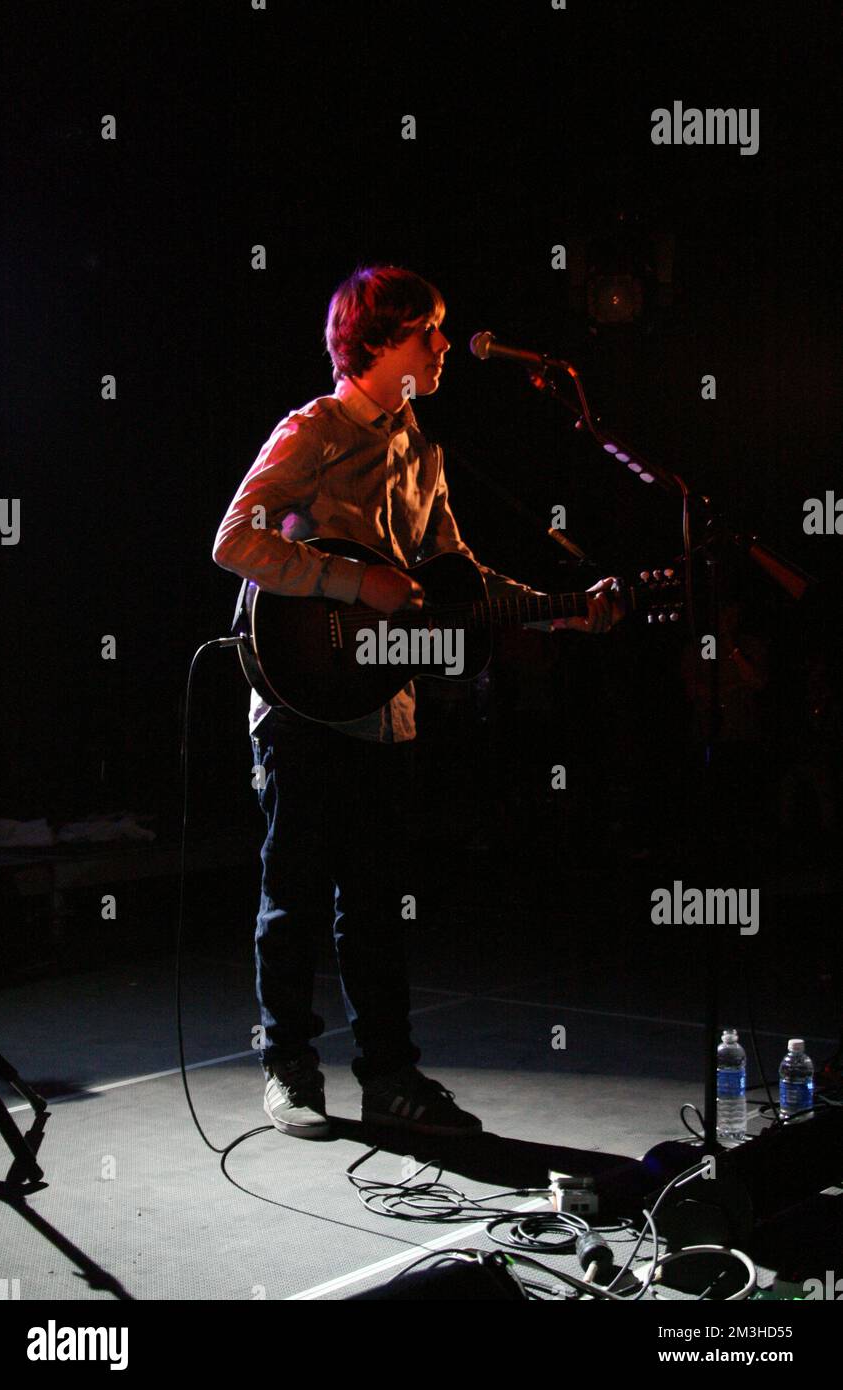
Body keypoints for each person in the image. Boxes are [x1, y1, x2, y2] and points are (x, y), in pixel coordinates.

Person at [212, 264, 623, 1139]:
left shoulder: (425, 450)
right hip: (302, 704)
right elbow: (234, 541)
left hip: (384, 707)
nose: (443, 344)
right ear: (375, 341)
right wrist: (352, 578)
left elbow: (458, 581)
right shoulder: (313, 430)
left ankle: (391, 1077)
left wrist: (561, 613)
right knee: (291, 893)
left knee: (376, 904)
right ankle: (288, 1069)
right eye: (427, 330)